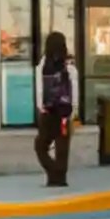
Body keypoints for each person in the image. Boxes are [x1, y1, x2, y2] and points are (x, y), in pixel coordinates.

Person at [34, 32, 79, 187]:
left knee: (40, 146)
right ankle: (60, 177)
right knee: (62, 148)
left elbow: (40, 89)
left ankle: (53, 174)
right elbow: (74, 90)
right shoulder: (69, 66)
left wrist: (41, 107)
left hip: (48, 113)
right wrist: (73, 111)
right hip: (64, 114)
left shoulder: (43, 65)